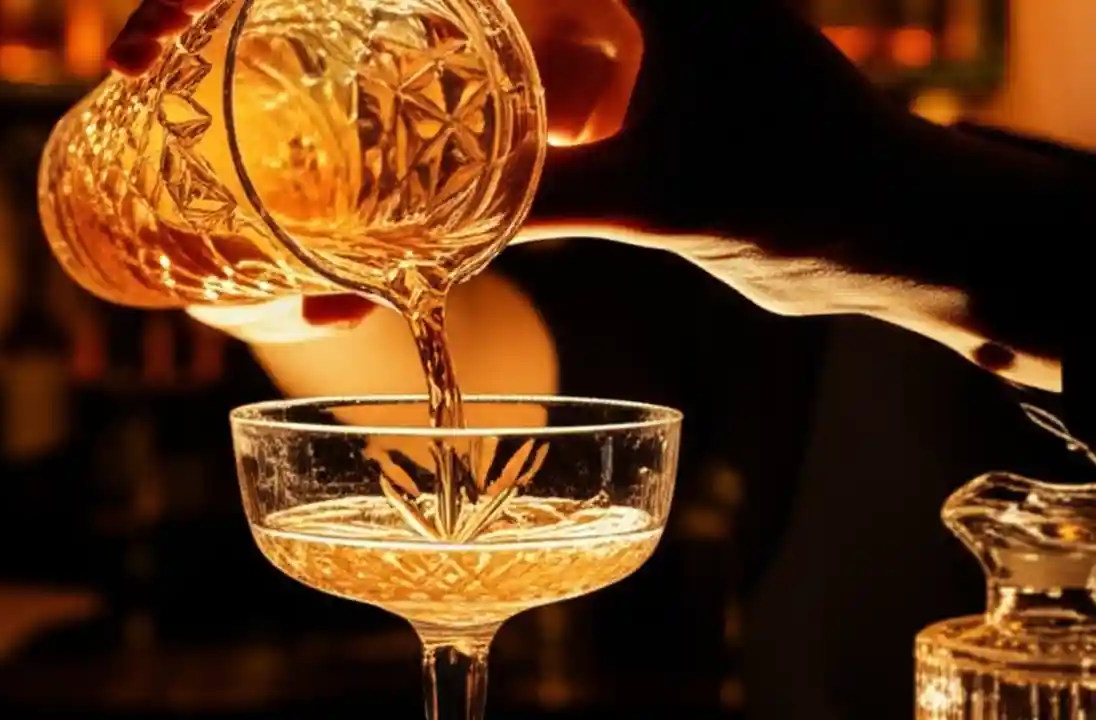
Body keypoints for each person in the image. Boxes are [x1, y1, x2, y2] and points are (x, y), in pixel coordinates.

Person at [105, 1, 1096, 716]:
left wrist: (919, 214)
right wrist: (266, 282)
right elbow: (497, 419)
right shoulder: (762, 161)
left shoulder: (834, 160)